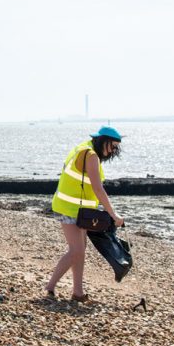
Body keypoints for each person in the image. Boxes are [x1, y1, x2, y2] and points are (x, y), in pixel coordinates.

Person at [45, 126, 125, 302]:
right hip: (69, 208)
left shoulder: (85, 148)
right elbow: (98, 188)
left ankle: (78, 292)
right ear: (103, 141)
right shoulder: (91, 155)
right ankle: (50, 286)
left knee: (80, 251)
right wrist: (114, 214)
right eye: (113, 146)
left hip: (78, 210)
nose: (114, 150)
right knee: (76, 251)